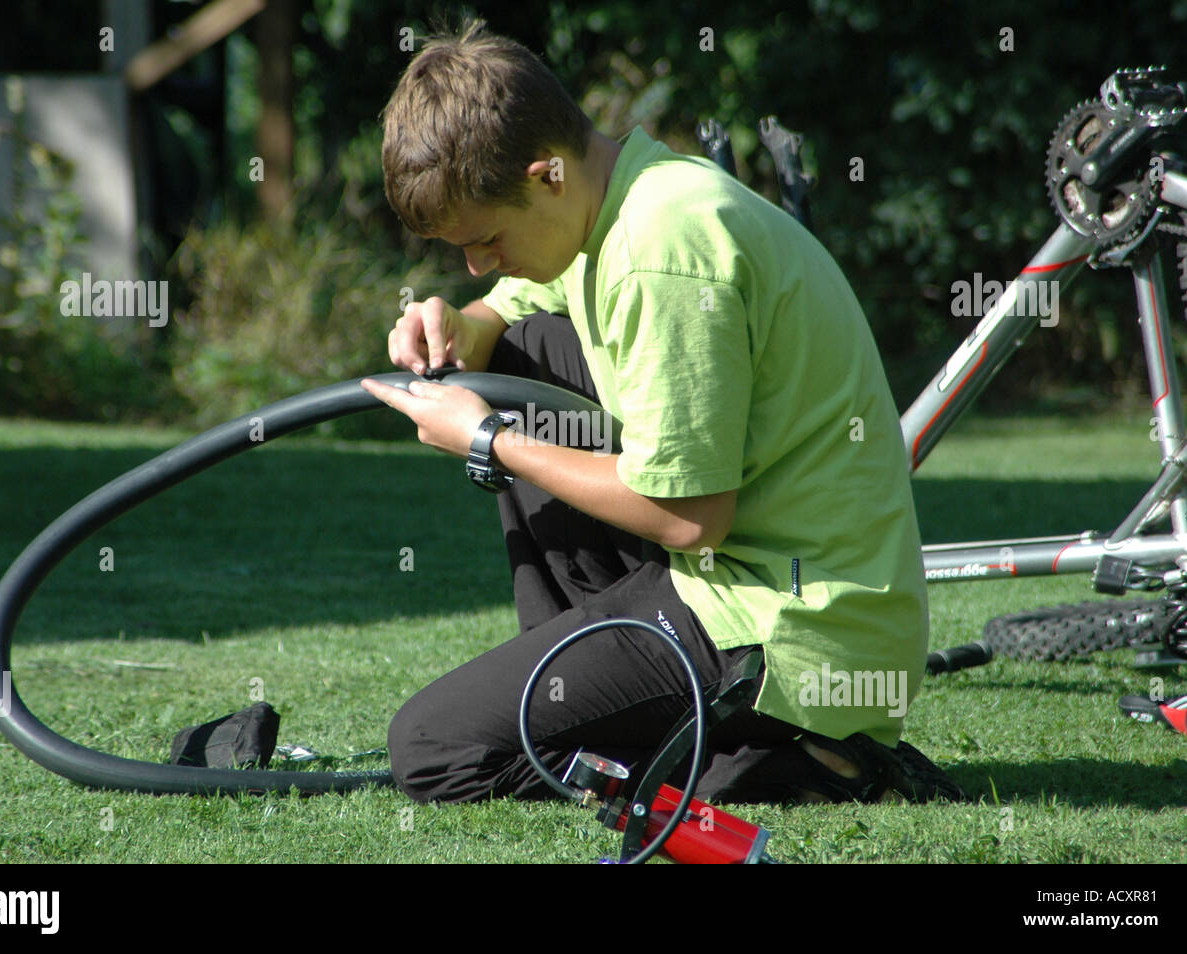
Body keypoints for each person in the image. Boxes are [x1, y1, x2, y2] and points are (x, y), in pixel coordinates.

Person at [360, 20, 963, 806]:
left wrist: (487, 439)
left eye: (487, 239)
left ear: (546, 176)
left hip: (791, 631)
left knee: (433, 749)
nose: (476, 263)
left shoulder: (660, 252)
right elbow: (517, 307)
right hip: (751, 588)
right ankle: (634, 718)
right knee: (524, 348)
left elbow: (686, 518)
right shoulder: (627, 198)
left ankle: (801, 757)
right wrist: (463, 323)